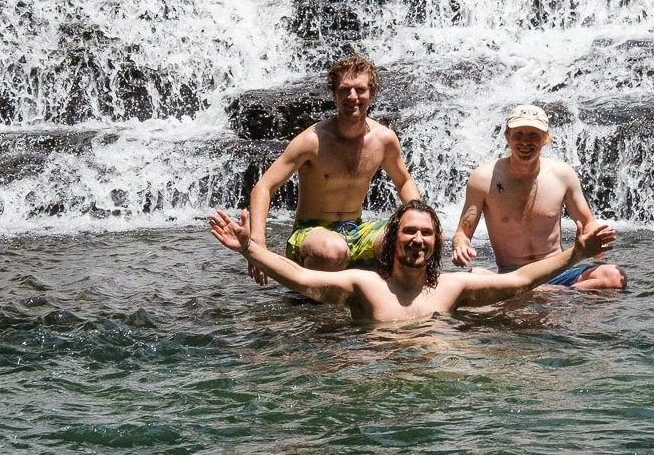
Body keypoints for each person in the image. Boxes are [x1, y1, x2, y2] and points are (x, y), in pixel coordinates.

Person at [209, 199, 615, 322]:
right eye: (408, 232)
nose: (417, 240)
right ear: (393, 239)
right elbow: (301, 278)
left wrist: (575, 254)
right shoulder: (365, 286)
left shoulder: (453, 287)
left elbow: (520, 281)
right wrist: (250, 249)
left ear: (436, 243)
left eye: (426, 233)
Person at [243, 53, 420, 280]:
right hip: (311, 233)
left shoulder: (384, 140)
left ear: (372, 93)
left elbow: (404, 181)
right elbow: (263, 187)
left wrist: (421, 219)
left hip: (356, 230)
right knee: (333, 250)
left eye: (360, 90)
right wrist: (257, 243)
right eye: (344, 90)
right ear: (334, 95)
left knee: (408, 239)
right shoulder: (312, 140)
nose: (352, 96)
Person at [449, 104, 626, 291]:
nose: (525, 142)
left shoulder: (562, 175)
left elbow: (587, 222)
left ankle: (540, 292)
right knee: (473, 275)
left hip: (557, 271)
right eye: (518, 134)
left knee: (613, 276)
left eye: (533, 135)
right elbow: (462, 233)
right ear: (507, 136)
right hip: (511, 276)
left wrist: (594, 240)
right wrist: (460, 246)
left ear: (545, 138)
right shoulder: (483, 178)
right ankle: (559, 295)